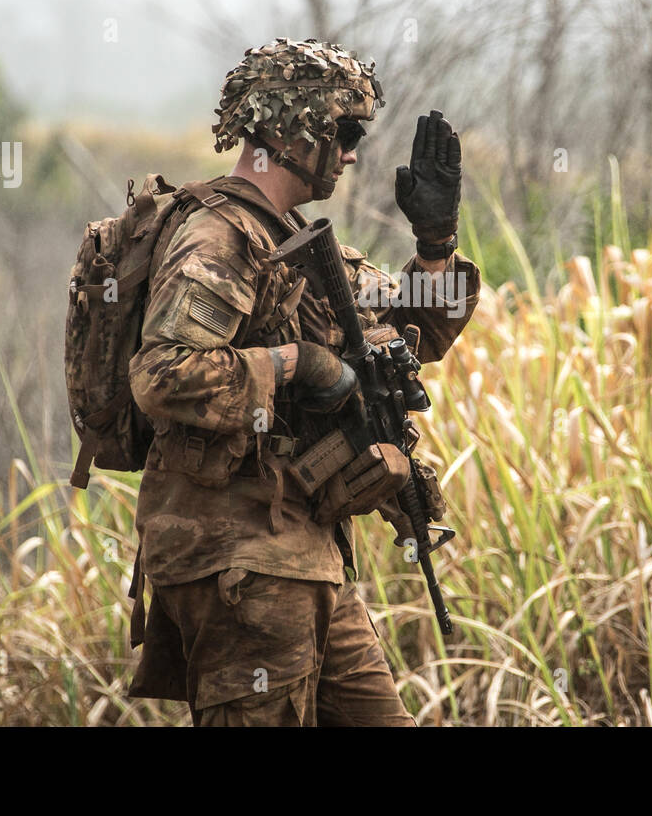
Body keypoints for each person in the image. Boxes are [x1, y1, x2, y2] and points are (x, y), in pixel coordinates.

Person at [124, 37, 480, 725]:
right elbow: (163, 375)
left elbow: (410, 334)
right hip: (238, 561)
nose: (352, 152)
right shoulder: (217, 238)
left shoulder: (293, 242)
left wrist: (436, 248)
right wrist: (299, 365)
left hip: (305, 553)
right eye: (345, 131)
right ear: (291, 130)